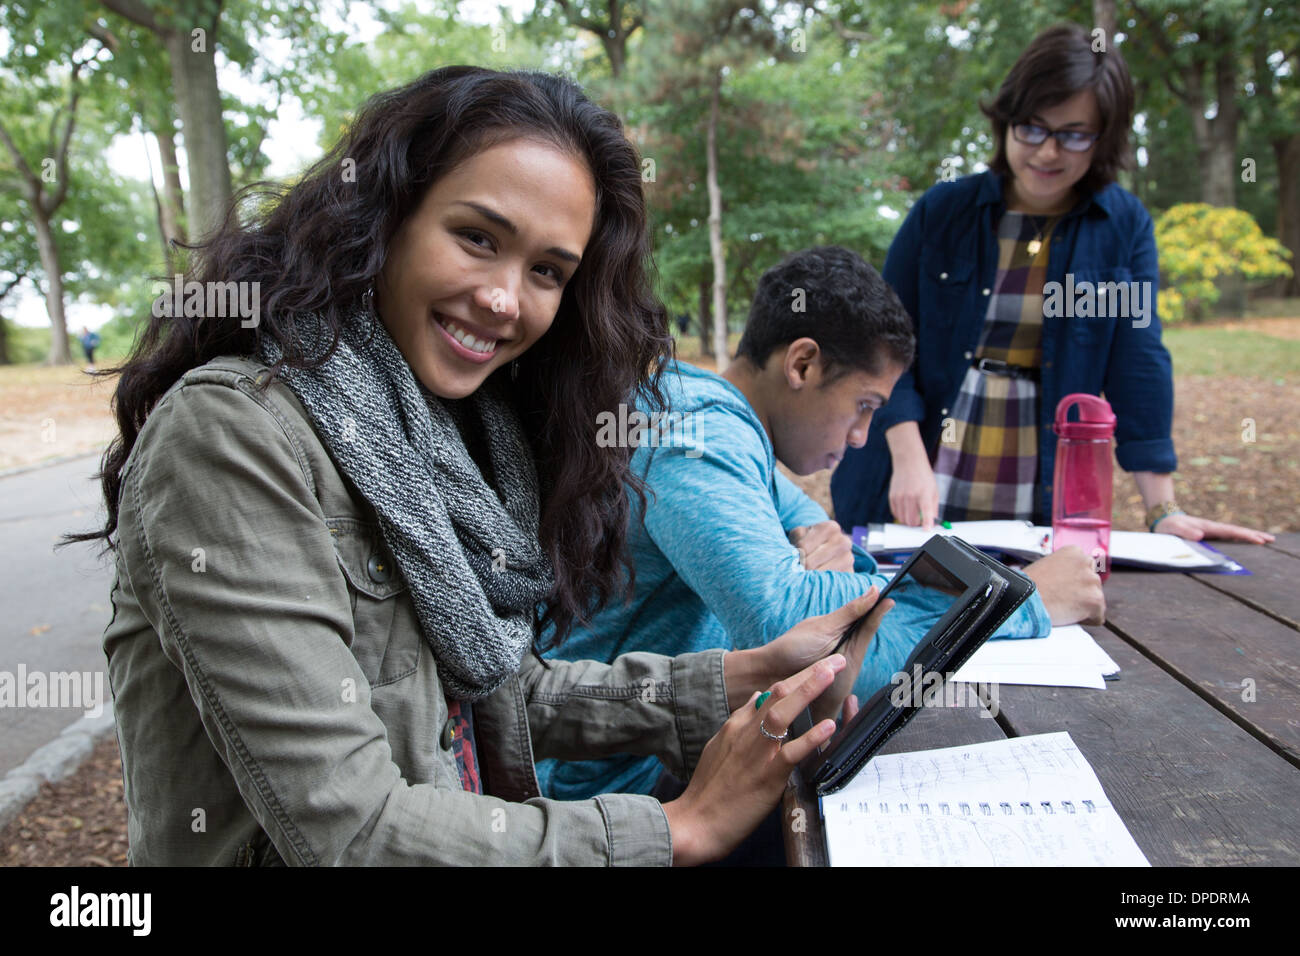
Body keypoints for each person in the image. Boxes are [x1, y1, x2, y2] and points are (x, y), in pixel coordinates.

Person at [81, 67, 890, 866]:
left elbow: (498, 698)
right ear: (385, 217)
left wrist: (746, 674)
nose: (506, 299)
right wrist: (680, 827)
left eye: (546, 271)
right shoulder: (233, 435)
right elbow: (351, 830)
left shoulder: (460, 431)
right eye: (477, 238)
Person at [537, 246, 1104, 804]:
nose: (861, 437)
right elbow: (806, 650)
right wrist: (1028, 604)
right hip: (590, 801)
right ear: (802, 364)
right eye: (863, 404)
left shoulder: (705, 411)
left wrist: (812, 585)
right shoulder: (698, 435)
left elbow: (822, 537)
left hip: (648, 769)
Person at [830, 24, 1274, 546]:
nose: (1046, 152)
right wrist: (908, 458)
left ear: (1103, 137)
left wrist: (1163, 510)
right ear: (1007, 121)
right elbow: (881, 346)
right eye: (1032, 128)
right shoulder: (942, 213)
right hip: (910, 473)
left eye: (1073, 133)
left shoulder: (1122, 227)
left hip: (1041, 485)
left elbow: (1138, 364)